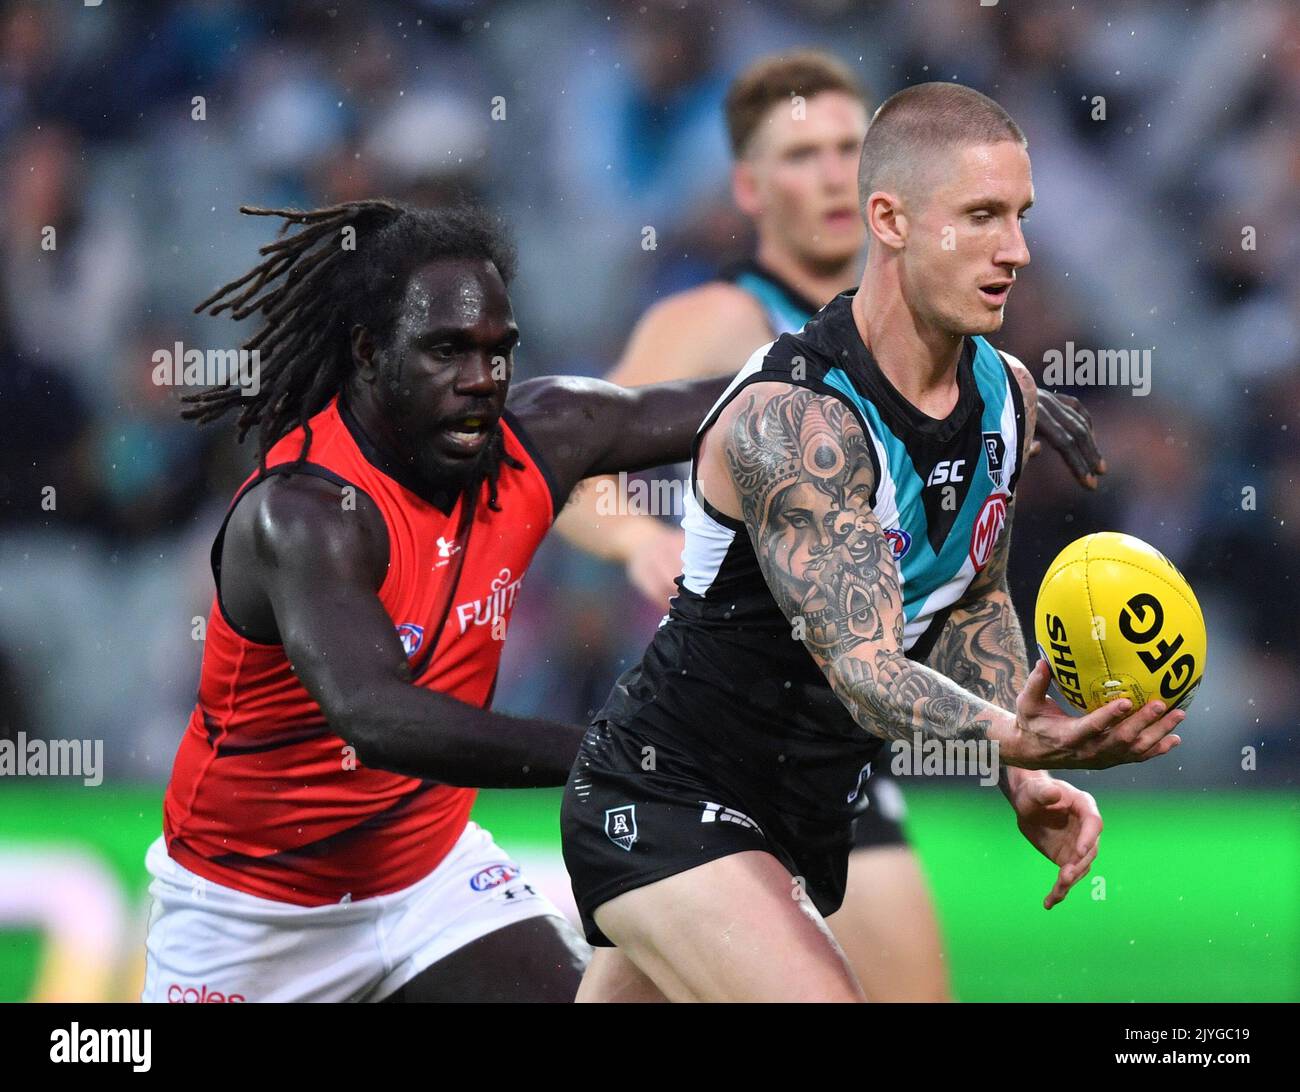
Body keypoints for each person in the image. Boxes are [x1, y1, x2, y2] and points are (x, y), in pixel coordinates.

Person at [559, 82, 1185, 1003]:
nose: (1015, 250)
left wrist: (1018, 770)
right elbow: (864, 665)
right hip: (665, 797)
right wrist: (1022, 738)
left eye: (1019, 216)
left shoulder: (1007, 395)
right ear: (887, 219)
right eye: (981, 217)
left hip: (804, 814)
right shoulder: (798, 420)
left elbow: (971, 597)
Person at [142, 199, 728, 1003]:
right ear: (369, 352)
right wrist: (615, 756)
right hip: (251, 920)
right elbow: (376, 719)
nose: (481, 380)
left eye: (498, 352)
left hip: (431, 884)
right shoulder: (306, 510)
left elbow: (735, 404)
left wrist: (865, 364)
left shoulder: (540, 440)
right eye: (446, 351)